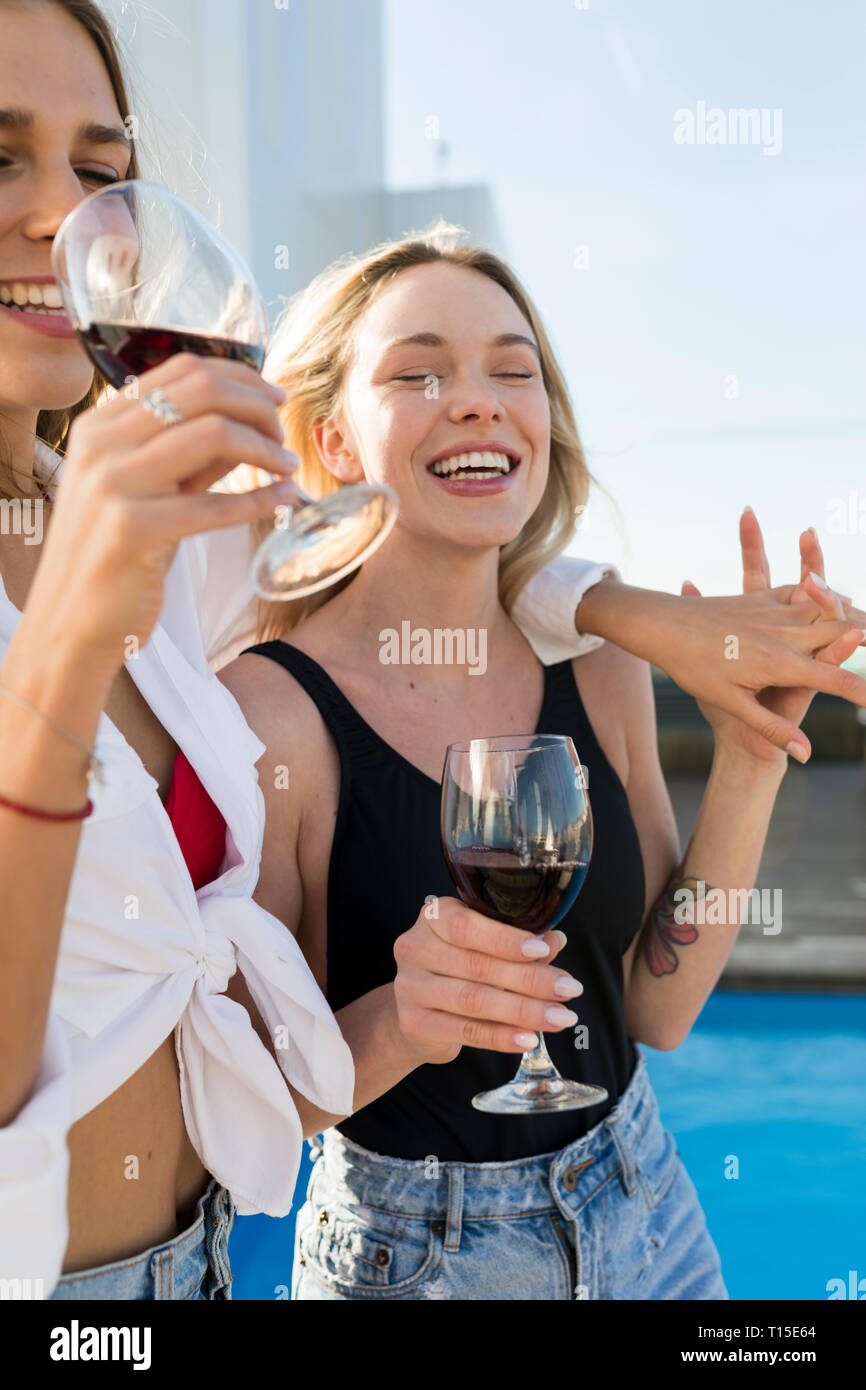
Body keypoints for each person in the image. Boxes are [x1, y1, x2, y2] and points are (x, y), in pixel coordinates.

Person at [217, 226, 865, 1300]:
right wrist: (398, 1023)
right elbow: (245, 1103)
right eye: (419, 371)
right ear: (331, 441)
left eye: (511, 370)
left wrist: (750, 754)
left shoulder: (599, 667)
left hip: (645, 1205)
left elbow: (652, 1009)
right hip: (414, 1253)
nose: (477, 398)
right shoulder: (273, 713)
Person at [0, 0, 353, 1301]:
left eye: (99, 173)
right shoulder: (109, 560)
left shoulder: (125, 516)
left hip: (206, 1268)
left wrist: (623, 618)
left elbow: (399, 554)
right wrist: (67, 648)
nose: (58, 215)